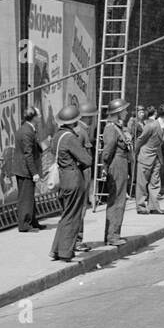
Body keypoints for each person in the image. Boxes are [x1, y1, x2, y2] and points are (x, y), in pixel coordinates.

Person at [49, 104, 92, 262]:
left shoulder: (57, 136)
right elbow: (87, 160)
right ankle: (65, 252)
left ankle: (55, 250)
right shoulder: (70, 137)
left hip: (63, 178)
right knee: (73, 217)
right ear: (74, 122)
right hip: (73, 177)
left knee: (65, 215)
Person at [101, 98, 133, 247]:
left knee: (118, 199)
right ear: (118, 112)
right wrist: (105, 166)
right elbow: (108, 150)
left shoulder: (117, 127)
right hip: (116, 163)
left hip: (120, 162)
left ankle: (112, 234)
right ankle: (113, 236)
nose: (126, 112)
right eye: (124, 110)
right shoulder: (111, 128)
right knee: (118, 200)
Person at [12, 105, 45, 232]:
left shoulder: (29, 129)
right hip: (25, 170)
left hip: (25, 169)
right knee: (25, 198)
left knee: (29, 197)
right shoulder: (27, 131)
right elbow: (28, 154)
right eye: (38, 115)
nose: (40, 116)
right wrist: (34, 173)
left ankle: (33, 221)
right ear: (33, 117)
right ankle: (25, 225)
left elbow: (33, 148)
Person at [73, 100, 100, 252]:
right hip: (82, 175)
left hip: (84, 174)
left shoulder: (80, 130)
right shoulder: (81, 131)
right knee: (80, 209)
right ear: (87, 117)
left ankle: (77, 239)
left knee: (81, 209)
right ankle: (77, 240)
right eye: (91, 117)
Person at [134, 106, 164, 214]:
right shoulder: (151, 125)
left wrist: (161, 160)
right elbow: (140, 140)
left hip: (156, 158)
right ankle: (141, 207)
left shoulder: (163, 126)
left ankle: (154, 207)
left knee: (155, 183)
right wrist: (135, 153)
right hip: (145, 157)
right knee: (142, 184)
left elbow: (159, 144)